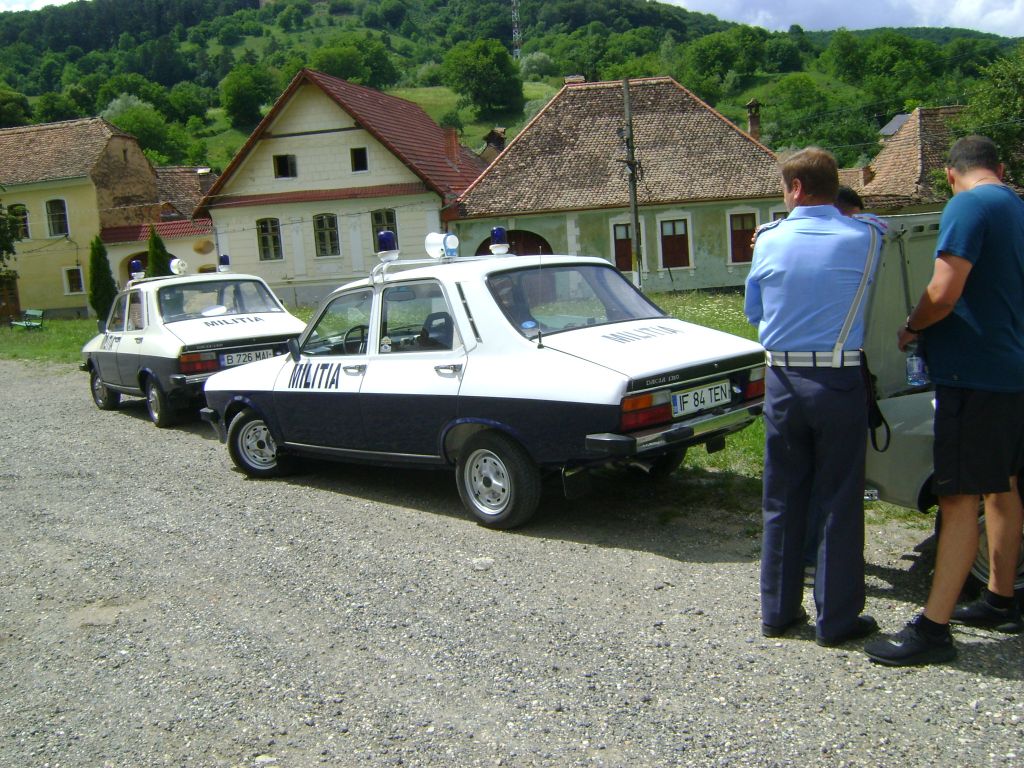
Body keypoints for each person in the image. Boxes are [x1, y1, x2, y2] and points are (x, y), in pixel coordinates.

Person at [865, 135, 1024, 666]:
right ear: (998, 167)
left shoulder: (967, 206)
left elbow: (944, 291)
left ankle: (932, 631)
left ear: (952, 175)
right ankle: (1001, 598)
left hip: (973, 376)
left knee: (958, 499)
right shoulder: (1015, 206)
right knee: (1004, 488)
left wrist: (911, 325)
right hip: (1012, 372)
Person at [745, 146, 885, 647]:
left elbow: (753, 313)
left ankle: (778, 612)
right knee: (840, 498)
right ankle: (836, 619)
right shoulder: (867, 235)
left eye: (785, 188)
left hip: (781, 379)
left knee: (781, 497)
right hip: (837, 378)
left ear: (797, 188)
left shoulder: (768, 239)